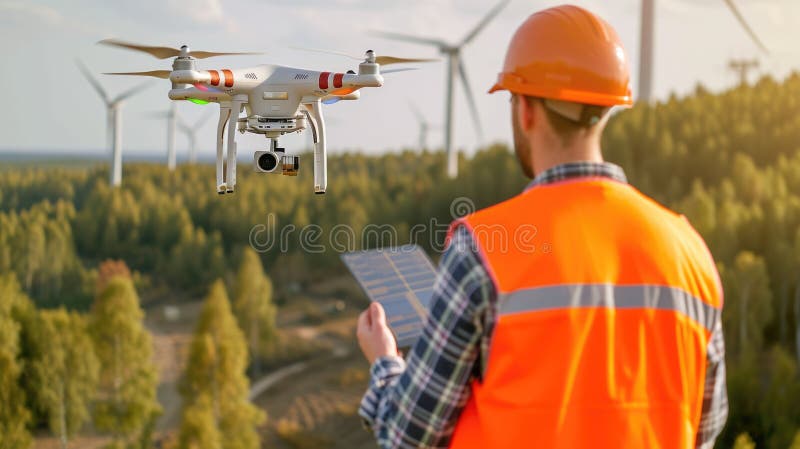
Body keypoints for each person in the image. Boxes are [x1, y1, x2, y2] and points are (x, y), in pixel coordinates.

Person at [356, 4, 727, 449]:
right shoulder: (690, 253)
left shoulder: (482, 249)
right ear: (608, 109)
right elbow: (703, 427)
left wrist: (385, 363)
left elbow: (406, 436)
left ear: (526, 110)